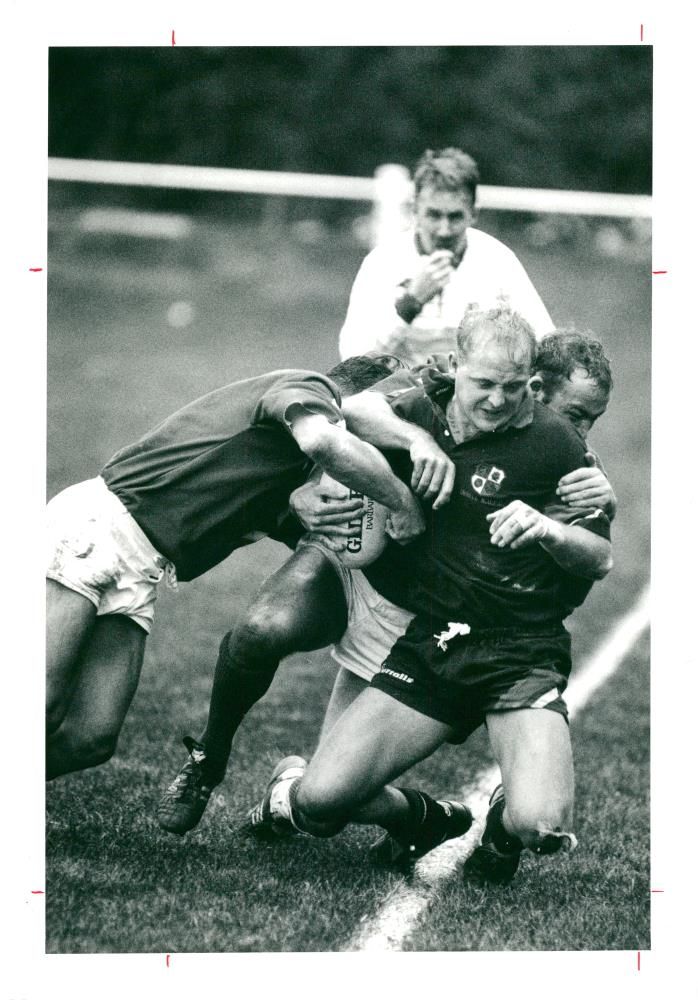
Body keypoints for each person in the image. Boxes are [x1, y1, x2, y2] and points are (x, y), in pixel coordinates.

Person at [157, 325, 614, 841]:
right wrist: (304, 489)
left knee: (327, 807)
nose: (583, 434)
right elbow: (343, 406)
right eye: (576, 416)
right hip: (352, 560)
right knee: (262, 628)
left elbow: (590, 560)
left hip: (417, 612)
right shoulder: (448, 385)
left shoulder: (567, 463)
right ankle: (208, 758)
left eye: (591, 422)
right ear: (536, 388)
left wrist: (571, 518)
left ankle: (414, 817)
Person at [46, 356, 431, 781]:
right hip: (101, 527)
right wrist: (400, 499)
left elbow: (325, 541)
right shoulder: (307, 387)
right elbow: (323, 441)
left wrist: (297, 499)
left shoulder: (295, 480)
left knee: (90, 738)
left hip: (143, 570)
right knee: (40, 705)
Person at [338, 148, 554, 366]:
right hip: (399, 391)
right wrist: (410, 303)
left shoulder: (498, 260)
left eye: (455, 216)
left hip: (475, 390)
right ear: (415, 211)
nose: (444, 230)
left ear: (473, 213)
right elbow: (353, 359)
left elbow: (544, 342)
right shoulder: (383, 262)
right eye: (433, 215)